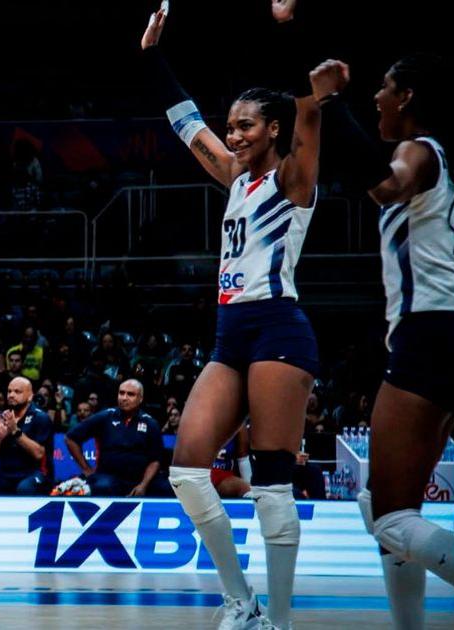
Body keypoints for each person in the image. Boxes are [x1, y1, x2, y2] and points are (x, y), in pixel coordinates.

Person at [139, 2, 325, 626]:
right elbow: (188, 126)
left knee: (272, 488)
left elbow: (309, 112)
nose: (235, 135)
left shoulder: (294, 181)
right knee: (188, 472)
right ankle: (239, 600)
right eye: (233, 126)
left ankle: (279, 618)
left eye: (247, 126)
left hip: (278, 328)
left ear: (274, 129)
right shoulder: (235, 179)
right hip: (230, 333)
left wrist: (288, 29)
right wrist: (153, 58)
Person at [310, 52, 454, 626]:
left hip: (432, 331)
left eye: (385, 88)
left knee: (388, 514)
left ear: (408, 99)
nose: (377, 97)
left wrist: (328, 102)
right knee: (389, 504)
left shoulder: (419, 152)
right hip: (440, 331)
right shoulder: (447, 158)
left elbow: (384, 185)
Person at [64, 380, 167, 497]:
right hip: (108, 477)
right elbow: (70, 438)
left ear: (140, 398)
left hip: (140, 479)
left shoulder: (150, 423)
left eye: (130, 394)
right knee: (103, 486)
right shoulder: (105, 416)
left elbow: (155, 460)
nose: (124, 398)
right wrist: (86, 469)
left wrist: (143, 485)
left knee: (165, 487)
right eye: (121, 393)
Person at [0, 377, 54, 495]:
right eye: (9, 391)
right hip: (6, 474)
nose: (11, 395)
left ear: (30, 396)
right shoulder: (0, 419)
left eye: (17, 392)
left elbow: (39, 454)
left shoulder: (40, 418)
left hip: (36, 473)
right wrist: (1, 438)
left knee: (24, 489)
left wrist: (16, 431)